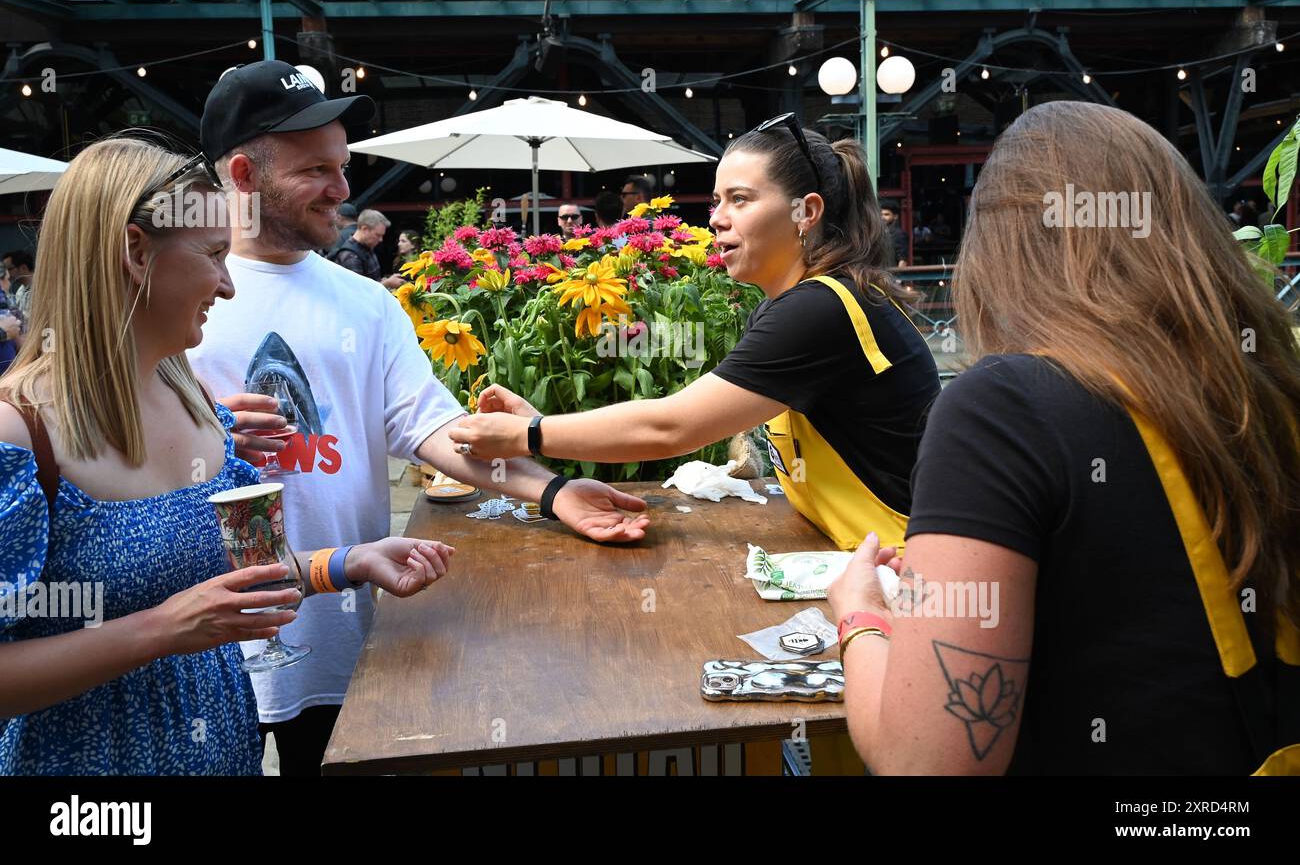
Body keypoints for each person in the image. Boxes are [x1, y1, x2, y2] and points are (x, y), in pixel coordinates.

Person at [190, 60, 650, 776]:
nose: (344, 191)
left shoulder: (365, 301)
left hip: (337, 620)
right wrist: (205, 431)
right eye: (318, 171)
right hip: (203, 638)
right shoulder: (179, 294)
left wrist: (553, 492)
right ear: (244, 174)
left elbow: (430, 427)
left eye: (343, 167)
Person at [826, 101, 1300, 775]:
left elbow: (925, 762)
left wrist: (860, 616)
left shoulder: (1004, 409)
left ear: (998, 248)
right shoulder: (1271, 393)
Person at [0, 137, 451, 775]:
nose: (230, 285)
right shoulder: (19, 433)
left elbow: (232, 584)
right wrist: (162, 629)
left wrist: (348, 562)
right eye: (214, 255)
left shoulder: (194, 403)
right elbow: (184, 615)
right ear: (135, 252)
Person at [450, 114, 939, 551]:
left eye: (740, 200)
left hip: (907, 567)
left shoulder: (821, 308)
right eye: (717, 200)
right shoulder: (801, 302)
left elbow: (671, 427)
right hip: (858, 553)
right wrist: (538, 424)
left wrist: (528, 435)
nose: (717, 218)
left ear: (805, 213)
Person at [334, 208, 388, 282]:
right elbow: (357, 289)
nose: (380, 239)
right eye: (378, 235)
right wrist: (386, 284)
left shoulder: (366, 246)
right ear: (364, 229)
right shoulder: (350, 256)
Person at [2, 251, 34, 319]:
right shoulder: (20, 290)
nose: (7, 273)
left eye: (9, 269)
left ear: (23, 268)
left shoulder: (42, 288)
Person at [880, 203, 906, 267]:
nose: (882, 217)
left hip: (891, 273)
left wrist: (900, 275)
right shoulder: (879, 232)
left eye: (886, 214)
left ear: (895, 216)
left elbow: (902, 260)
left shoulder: (899, 234)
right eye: (881, 214)